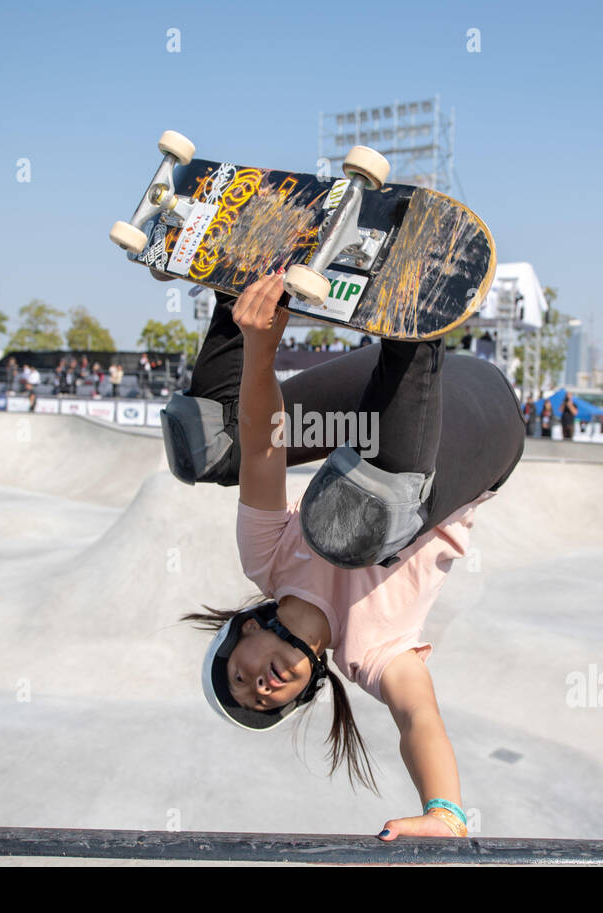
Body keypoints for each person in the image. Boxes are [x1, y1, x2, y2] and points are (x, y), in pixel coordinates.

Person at [163, 271, 525, 841]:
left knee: (211, 445)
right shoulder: (374, 655)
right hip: (480, 420)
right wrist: (445, 814)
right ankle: (417, 301)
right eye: (269, 699)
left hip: (377, 405)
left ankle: (241, 279)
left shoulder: (265, 560)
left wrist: (262, 343)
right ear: (307, 688)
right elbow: (417, 718)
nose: (261, 686)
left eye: (241, 676)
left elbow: (264, 440)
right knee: (352, 524)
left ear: (243, 632)